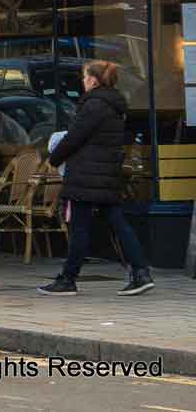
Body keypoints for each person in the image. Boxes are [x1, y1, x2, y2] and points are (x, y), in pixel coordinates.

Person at [39, 61, 154, 297]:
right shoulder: (114, 105)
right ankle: (141, 272)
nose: (82, 81)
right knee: (118, 224)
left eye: (84, 77)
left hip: (86, 175)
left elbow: (74, 138)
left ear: (93, 80)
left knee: (79, 227)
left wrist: (54, 158)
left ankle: (68, 279)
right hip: (105, 174)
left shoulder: (94, 104)